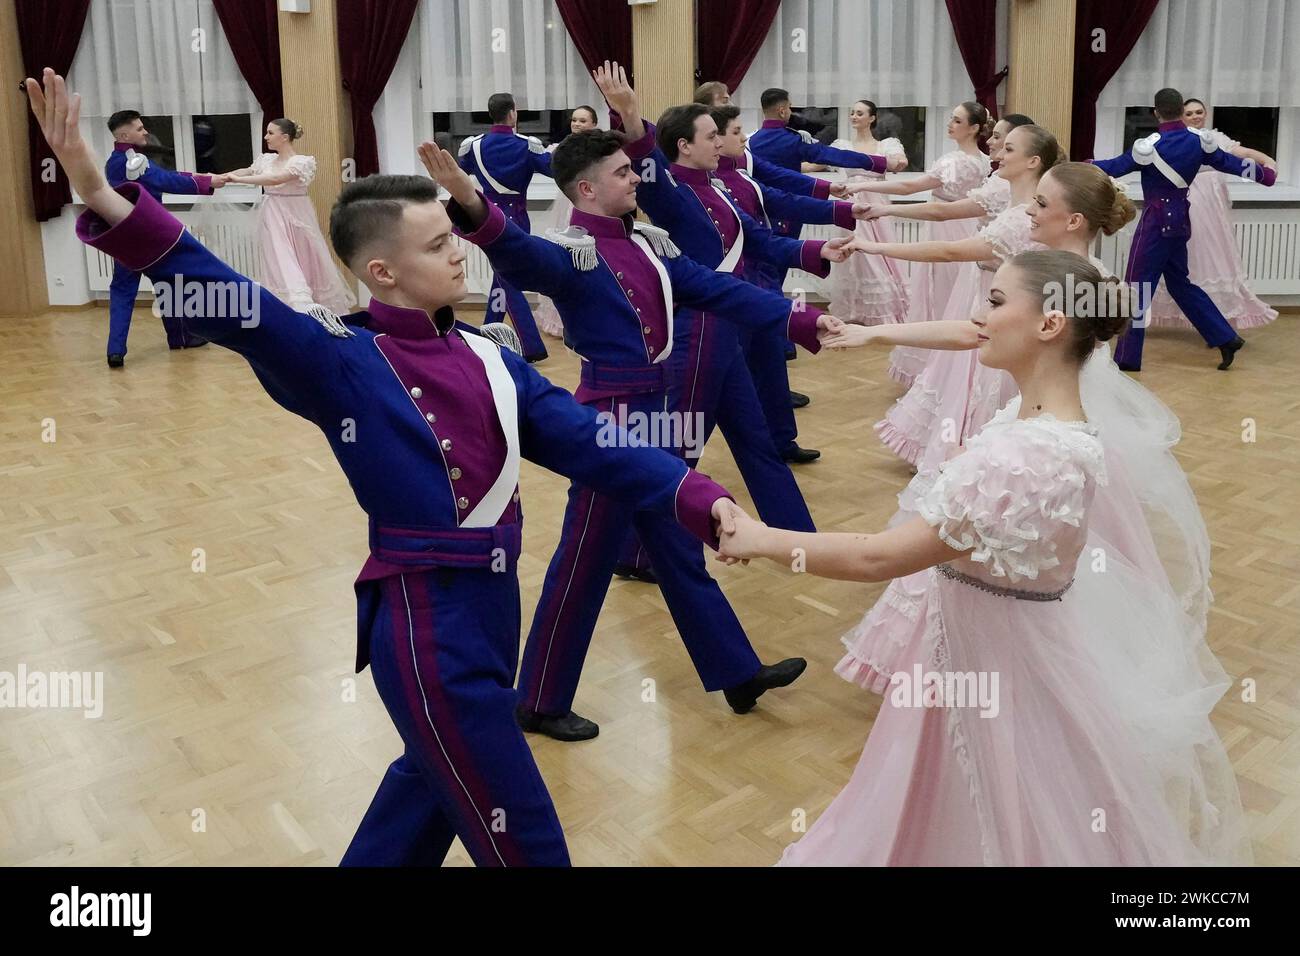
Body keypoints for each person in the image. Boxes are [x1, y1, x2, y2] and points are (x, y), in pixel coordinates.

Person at [24, 68, 747, 868]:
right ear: (382, 273)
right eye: (438, 245)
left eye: (453, 236)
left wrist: (697, 495)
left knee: (422, 800)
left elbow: (591, 442)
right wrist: (99, 191)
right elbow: (230, 299)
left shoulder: (490, 356)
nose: (460, 253)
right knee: (526, 839)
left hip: (492, 611)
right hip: (427, 628)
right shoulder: (343, 362)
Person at [720, 249, 1250, 866]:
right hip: (973, 662)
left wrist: (759, 538)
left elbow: (878, 559)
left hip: (1000, 674)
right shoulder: (1034, 424)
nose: (979, 316)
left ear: (1049, 324)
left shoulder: (1027, 457)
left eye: (995, 302)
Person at [420, 132, 841, 741]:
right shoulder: (572, 254)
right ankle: (537, 699)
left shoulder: (647, 243)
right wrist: (467, 196)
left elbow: (719, 288)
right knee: (583, 562)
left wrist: (800, 319)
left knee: (677, 549)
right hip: (606, 426)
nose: (635, 178)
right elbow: (515, 249)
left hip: (653, 415)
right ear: (586, 189)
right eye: (622, 172)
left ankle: (736, 672)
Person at [592, 62, 853, 583]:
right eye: (711, 135)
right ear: (684, 146)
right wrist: (630, 114)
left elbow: (759, 239)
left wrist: (817, 249)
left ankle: (798, 539)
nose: (720, 142)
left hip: (726, 334)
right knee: (679, 449)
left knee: (757, 444)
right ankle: (635, 552)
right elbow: (647, 164)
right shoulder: (672, 193)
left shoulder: (721, 189)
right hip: (697, 338)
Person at [858, 125, 1059, 467]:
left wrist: (876, 245)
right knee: (970, 369)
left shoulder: (1021, 218)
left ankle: (982, 458)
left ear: (1033, 161)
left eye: (1008, 148)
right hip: (988, 290)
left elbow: (948, 248)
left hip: (1002, 303)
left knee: (984, 377)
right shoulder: (1015, 203)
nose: (997, 152)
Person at [711, 104, 867, 464]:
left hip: (761, 282)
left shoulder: (741, 174)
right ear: (714, 140)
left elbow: (784, 198)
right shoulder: (705, 187)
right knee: (722, 380)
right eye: (736, 131)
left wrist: (841, 210)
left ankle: (781, 441)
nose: (745, 137)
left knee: (770, 366)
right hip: (732, 293)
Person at [1090, 87, 1277, 371]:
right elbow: (1234, 164)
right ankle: (1225, 337)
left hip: (1155, 222)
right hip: (1181, 220)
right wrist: (1267, 176)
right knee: (1180, 284)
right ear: (1181, 111)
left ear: (1156, 113)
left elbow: (1113, 167)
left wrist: (1078, 166)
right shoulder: (1199, 142)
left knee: (1137, 288)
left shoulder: (1149, 146)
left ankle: (1127, 358)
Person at [842, 102, 993, 386]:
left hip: (945, 228)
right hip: (967, 226)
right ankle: (954, 368)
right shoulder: (983, 161)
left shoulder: (953, 161)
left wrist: (861, 185)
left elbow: (908, 187)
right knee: (960, 295)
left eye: (957, 120)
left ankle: (937, 369)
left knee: (939, 295)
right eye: (951, 118)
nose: (950, 124)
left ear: (974, 128)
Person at [102, 108, 226, 367]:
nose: (145, 131)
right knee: (170, 284)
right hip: (149, 234)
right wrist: (206, 182)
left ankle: (115, 350)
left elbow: (164, 176)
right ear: (124, 135)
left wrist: (201, 178)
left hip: (124, 236)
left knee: (123, 290)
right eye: (139, 128)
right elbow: (165, 181)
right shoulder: (133, 161)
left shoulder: (114, 161)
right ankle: (180, 337)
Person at [1147, 98, 1278, 334]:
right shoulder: (1178, 141)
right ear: (1180, 116)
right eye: (1189, 113)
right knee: (1194, 254)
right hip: (1189, 201)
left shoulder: (1214, 138)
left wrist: (1267, 161)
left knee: (1217, 253)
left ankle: (1218, 321)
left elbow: (1241, 154)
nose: (1195, 116)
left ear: (1206, 113)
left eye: (1199, 112)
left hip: (1214, 207)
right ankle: (1201, 319)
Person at [220, 118, 356, 315]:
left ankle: (308, 306)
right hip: (273, 215)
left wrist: (239, 180)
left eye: (270, 133)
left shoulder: (301, 162)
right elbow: (248, 170)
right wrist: (223, 177)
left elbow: (276, 179)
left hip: (296, 215)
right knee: (279, 256)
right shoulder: (267, 160)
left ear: (284, 137)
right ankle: (291, 305)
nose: (266, 137)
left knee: (305, 256)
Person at [457, 92, 554, 362]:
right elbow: (552, 170)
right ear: (513, 113)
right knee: (509, 278)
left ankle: (488, 334)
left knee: (502, 275)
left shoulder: (473, 145)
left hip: (488, 217)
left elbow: (460, 173)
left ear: (491, 114)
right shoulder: (527, 145)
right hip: (517, 219)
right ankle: (531, 345)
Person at [824, 99, 910, 326]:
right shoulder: (842, 145)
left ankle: (884, 312)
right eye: (852, 112)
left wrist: (895, 162)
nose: (854, 116)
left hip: (875, 205)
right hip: (850, 206)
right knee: (854, 255)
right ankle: (855, 309)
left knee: (877, 254)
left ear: (872, 118)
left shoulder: (887, 145)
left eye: (860, 113)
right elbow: (817, 162)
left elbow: (900, 162)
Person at [534, 105, 600, 340]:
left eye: (583, 120)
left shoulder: (600, 150)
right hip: (567, 205)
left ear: (594, 124)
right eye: (574, 120)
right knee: (565, 257)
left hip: (593, 204)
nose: (577, 124)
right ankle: (561, 318)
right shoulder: (561, 149)